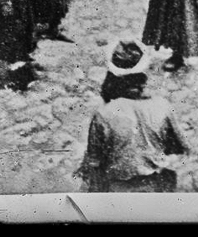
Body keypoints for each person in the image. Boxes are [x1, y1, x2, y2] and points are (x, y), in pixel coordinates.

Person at [78, 38, 188, 193]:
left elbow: (94, 161)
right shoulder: (163, 106)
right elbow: (180, 150)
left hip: (118, 186)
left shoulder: (103, 113)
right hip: (155, 184)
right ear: (144, 77)